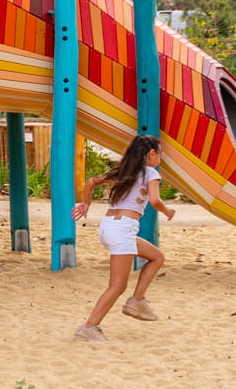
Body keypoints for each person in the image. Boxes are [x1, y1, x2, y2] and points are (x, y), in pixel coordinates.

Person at [69, 134, 173, 342]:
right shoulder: (150, 173)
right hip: (123, 229)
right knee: (117, 286)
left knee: (157, 257)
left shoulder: (124, 172)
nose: (160, 158)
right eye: (159, 154)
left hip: (109, 228)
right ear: (151, 154)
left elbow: (90, 182)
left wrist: (86, 203)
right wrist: (167, 210)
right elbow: (154, 200)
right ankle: (89, 327)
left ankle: (137, 300)